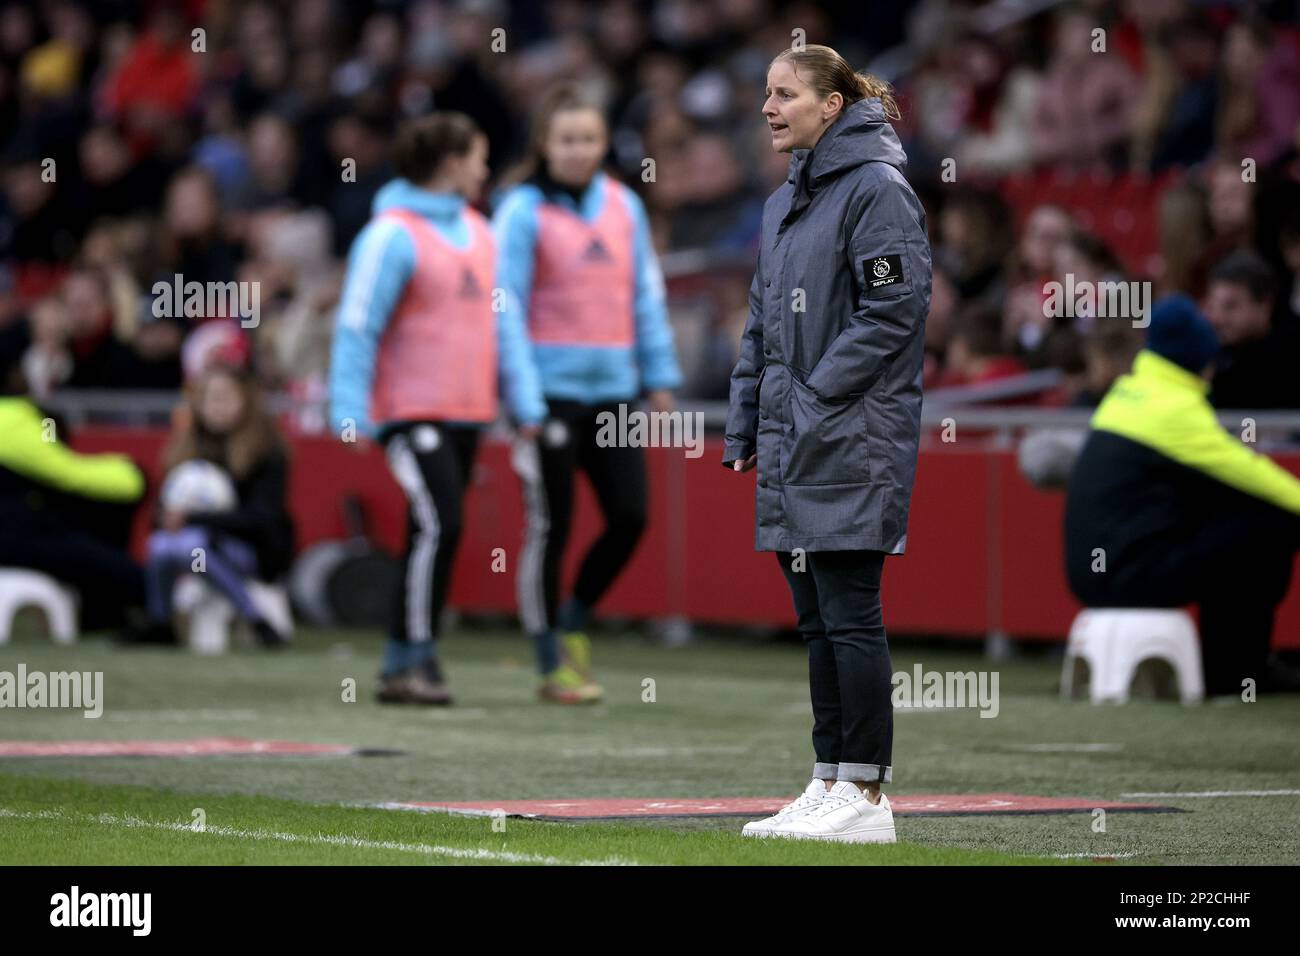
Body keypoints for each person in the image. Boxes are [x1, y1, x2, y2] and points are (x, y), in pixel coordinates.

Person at [723, 45, 931, 843]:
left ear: (831, 105)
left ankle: (869, 793)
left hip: (849, 435)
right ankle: (829, 777)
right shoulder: (785, 202)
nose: (769, 108)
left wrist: (811, 396)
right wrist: (747, 421)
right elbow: (760, 325)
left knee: (849, 613)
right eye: (765, 94)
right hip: (792, 437)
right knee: (816, 619)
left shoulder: (877, 189)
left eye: (785, 94)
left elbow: (894, 311)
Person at [329, 112, 545, 705]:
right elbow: (357, 325)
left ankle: (402, 661)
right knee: (440, 523)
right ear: (451, 163)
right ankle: (413, 659)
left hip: (467, 411)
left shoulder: (481, 232)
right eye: (477, 157)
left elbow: (505, 327)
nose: (483, 170)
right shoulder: (391, 234)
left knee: (435, 528)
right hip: (410, 411)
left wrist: (524, 403)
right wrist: (348, 406)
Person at [493, 84, 683, 704]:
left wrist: (658, 377)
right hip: (548, 398)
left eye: (588, 139)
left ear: (603, 144)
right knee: (553, 526)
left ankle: (575, 617)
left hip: (616, 393)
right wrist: (523, 401)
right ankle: (551, 656)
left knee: (631, 517)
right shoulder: (521, 211)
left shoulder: (623, 206)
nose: (578, 150)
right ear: (545, 145)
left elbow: (646, 297)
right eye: (566, 139)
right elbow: (505, 309)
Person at [1065, 295, 1300, 696]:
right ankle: (1237, 673)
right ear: (1198, 359)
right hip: (1129, 576)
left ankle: (1229, 668)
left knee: (1234, 532)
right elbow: (1252, 474)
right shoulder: (1175, 409)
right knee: (1270, 524)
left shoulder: (1128, 393)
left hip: (1091, 575)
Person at [122, 361, 295, 647]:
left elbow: (263, 519)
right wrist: (171, 519)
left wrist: (193, 519)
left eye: (226, 397)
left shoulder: (268, 452)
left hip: (252, 553)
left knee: (192, 546)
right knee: (161, 545)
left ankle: (257, 619)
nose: (218, 406)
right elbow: (163, 513)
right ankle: (161, 623)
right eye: (210, 398)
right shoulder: (185, 452)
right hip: (194, 549)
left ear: (245, 401)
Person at [0, 343, 146, 631]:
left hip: (21, 531)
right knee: (95, 555)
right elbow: (66, 474)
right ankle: (155, 605)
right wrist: (132, 473)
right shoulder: (11, 416)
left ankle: (102, 616)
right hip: (14, 537)